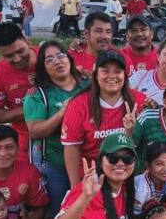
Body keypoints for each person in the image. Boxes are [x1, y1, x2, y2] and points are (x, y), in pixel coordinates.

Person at [61, 50, 144, 186]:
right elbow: (72, 147)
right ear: (96, 74)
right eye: (105, 71)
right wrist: (75, 186)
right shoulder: (78, 105)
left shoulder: (138, 100)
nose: (112, 76)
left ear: (125, 75)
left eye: (118, 71)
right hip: (92, 177)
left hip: (127, 175)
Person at [24, 41, 87, 217]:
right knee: (57, 214)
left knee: (87, 213)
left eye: (60, 56)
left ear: (69, 59)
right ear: (43, 68)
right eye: (49, 60)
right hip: (55, 164)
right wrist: (62, 113)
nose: (57, 61)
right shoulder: (38, 94)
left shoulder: (88, 85)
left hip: (88, 162)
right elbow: (35, 131)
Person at [0, 23, 38, 157]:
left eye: (20, 51)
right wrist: (34, 107)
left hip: (63, 132)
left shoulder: (48, 56)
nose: (17, 59)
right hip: (25, 138)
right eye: (9, 56)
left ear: (27, 41)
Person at [68, 11, 115, 77]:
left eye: (108, 32)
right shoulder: (71, 57)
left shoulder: (117, 57)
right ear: (86, 33)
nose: (105, 36)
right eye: (99, 31)